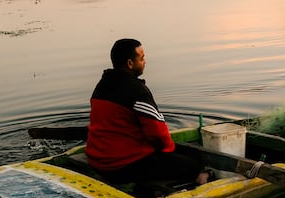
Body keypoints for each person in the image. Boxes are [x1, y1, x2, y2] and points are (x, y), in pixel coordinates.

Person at [85, 38, 209, 190]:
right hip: (120, 167)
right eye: (142, 58)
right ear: (130, 63)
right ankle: (199, 180)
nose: (145, 62)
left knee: (179, 154)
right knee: (194, 162)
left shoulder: (102, 85)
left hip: (96, 160)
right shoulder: (136, 91)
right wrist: (169, 150)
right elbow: (157, 132)